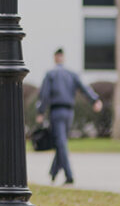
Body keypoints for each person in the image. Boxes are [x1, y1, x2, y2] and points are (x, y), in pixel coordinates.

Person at [35, 48, 102, 185]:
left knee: (61, 143)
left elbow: (44, 95)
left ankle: (69, 175)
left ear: (55, 58)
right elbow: (84, 88)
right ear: (63, 58)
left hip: (56, 112)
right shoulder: (72, 74)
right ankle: (53, 172)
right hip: (69, 112)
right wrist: (94, 100)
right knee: (62, 142)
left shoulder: (50, 74)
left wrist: (41, 112)